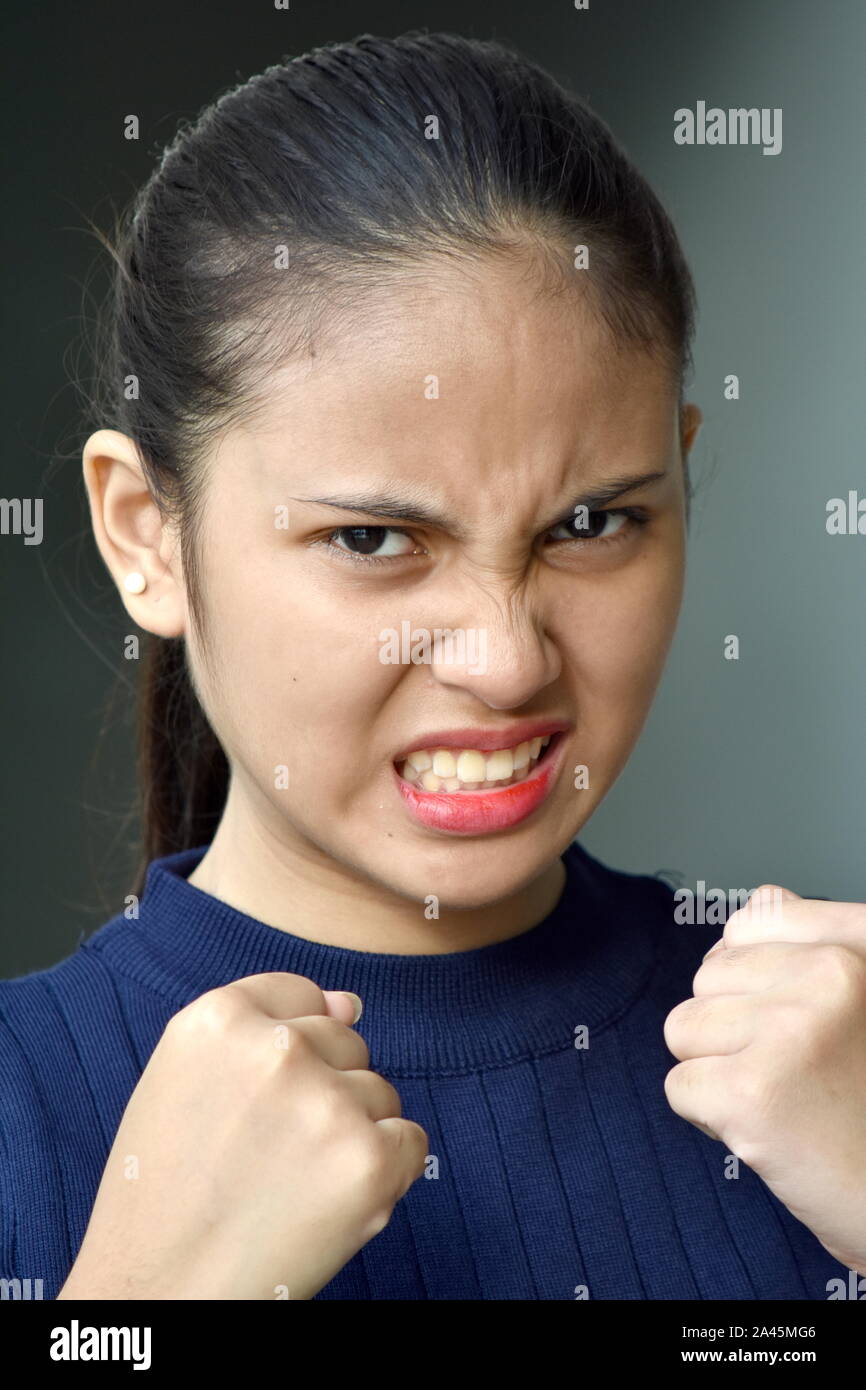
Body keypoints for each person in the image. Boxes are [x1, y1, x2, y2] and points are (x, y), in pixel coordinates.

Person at [2, 30, 864, 1302]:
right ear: (147, 535)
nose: (506, 660)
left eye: (590, 523)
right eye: (372, 539)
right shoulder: (26, 1108)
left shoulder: (833, 1054)